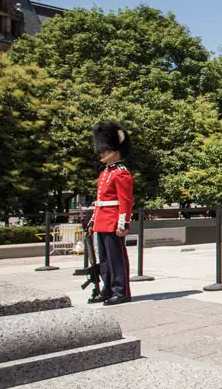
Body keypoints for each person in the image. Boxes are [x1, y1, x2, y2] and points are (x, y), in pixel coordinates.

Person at [88, 121, 133, 306]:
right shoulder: (105, 173)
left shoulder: (121, 173)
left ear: (115, 149)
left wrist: (123, 224)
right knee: (105, 259)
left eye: (104, 149)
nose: (101, 152)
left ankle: (121, 291)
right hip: (102, 220)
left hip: (114, 221)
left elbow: (126, 201)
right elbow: (100, 200)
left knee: (116, 259)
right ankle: (107, 289)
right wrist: (93, 220)